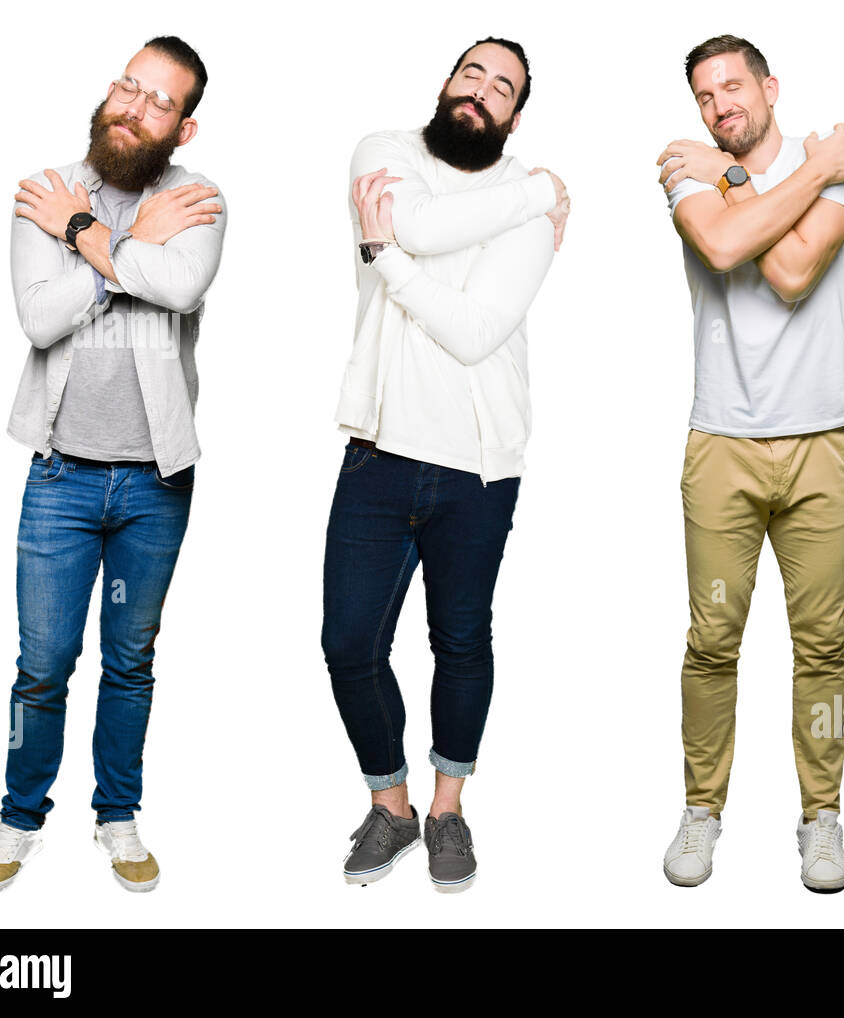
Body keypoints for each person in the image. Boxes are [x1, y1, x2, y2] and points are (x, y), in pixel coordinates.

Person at [0, 37, 226, 894]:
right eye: (128, 85)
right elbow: (40, 321)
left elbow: (180, 289)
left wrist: (81, 239)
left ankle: (116, 814)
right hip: (61, 478)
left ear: (183, 127)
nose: (132, 105)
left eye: (158, 100)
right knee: (42, 664)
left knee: (131, 660)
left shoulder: (197, 200)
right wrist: (117, 246)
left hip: (155, 481)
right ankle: (19, 816)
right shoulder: (49, 189)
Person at [325, 37, 570, 893]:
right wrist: (533, 196)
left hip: (477, 464)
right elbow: (424, 225)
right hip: (379, 450)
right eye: (474, 74)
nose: (483, 92)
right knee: (350, 643)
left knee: (461, 640)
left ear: (515, 113)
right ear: (447, 83)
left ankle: (447, 810)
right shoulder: (385, 153)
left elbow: (475, 331)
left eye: (504, 87)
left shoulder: (526, 201)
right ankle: (389, 807)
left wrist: (385, 256)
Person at [656, 35, 844, 891]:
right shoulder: (690, 171)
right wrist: (785, 175)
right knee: (712, 642)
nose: (720, 108)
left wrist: (749, 177)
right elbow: (721, 249)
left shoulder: (839, 165)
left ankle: (823, 817)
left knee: (823, 646)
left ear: (769, 87)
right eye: (706, 97)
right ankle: (701, 811)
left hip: (820, 442)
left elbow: (788, 269)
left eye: (733, 88)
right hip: (722, 446)